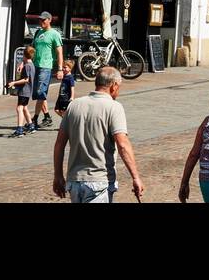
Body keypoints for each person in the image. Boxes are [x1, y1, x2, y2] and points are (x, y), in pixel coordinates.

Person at [53, 66, 144, 203]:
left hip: (75, 181)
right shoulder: (114, 107)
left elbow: (59, 144)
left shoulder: (74, 105)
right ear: (113, 86)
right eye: (119, 87)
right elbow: (123, 145)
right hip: (99, 181)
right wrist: (135, 177)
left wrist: (58, 175)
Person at [31, 11, 64, 129]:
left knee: (40, 92)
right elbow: (32, 49)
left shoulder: (54, 34)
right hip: (35, 66)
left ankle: (34, 119)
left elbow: (59, 52)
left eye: (44, 20)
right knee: (39, 93)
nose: (41, 22)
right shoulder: (38, 33)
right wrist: (26, 62)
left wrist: (60, 69)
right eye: (40, 20)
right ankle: (47, 116)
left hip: (46, 66)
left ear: (49, 20)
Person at [6, 46, 38, 137]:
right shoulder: (31, 65)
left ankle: (19, 129)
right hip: (28, 91)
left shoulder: (27, 66)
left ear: (24, 55)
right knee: (24, 108)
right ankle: (31, 126)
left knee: (19, 108)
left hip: (24, 90)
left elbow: (26, 79)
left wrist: (14, 83)